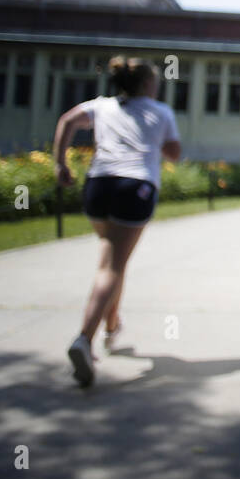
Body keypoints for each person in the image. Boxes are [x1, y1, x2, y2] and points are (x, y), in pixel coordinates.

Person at [53, 56, 181, 387]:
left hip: (98, 186)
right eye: (154, 80)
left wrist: (61, 165)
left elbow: (67, 121)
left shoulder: (101, 106)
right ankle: (84, 337)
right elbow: (175, 153)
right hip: (134, 187)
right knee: (111, 266)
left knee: (112, 261)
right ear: (146, 84)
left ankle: (111, 325)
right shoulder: (160, 112)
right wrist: (155, 142)